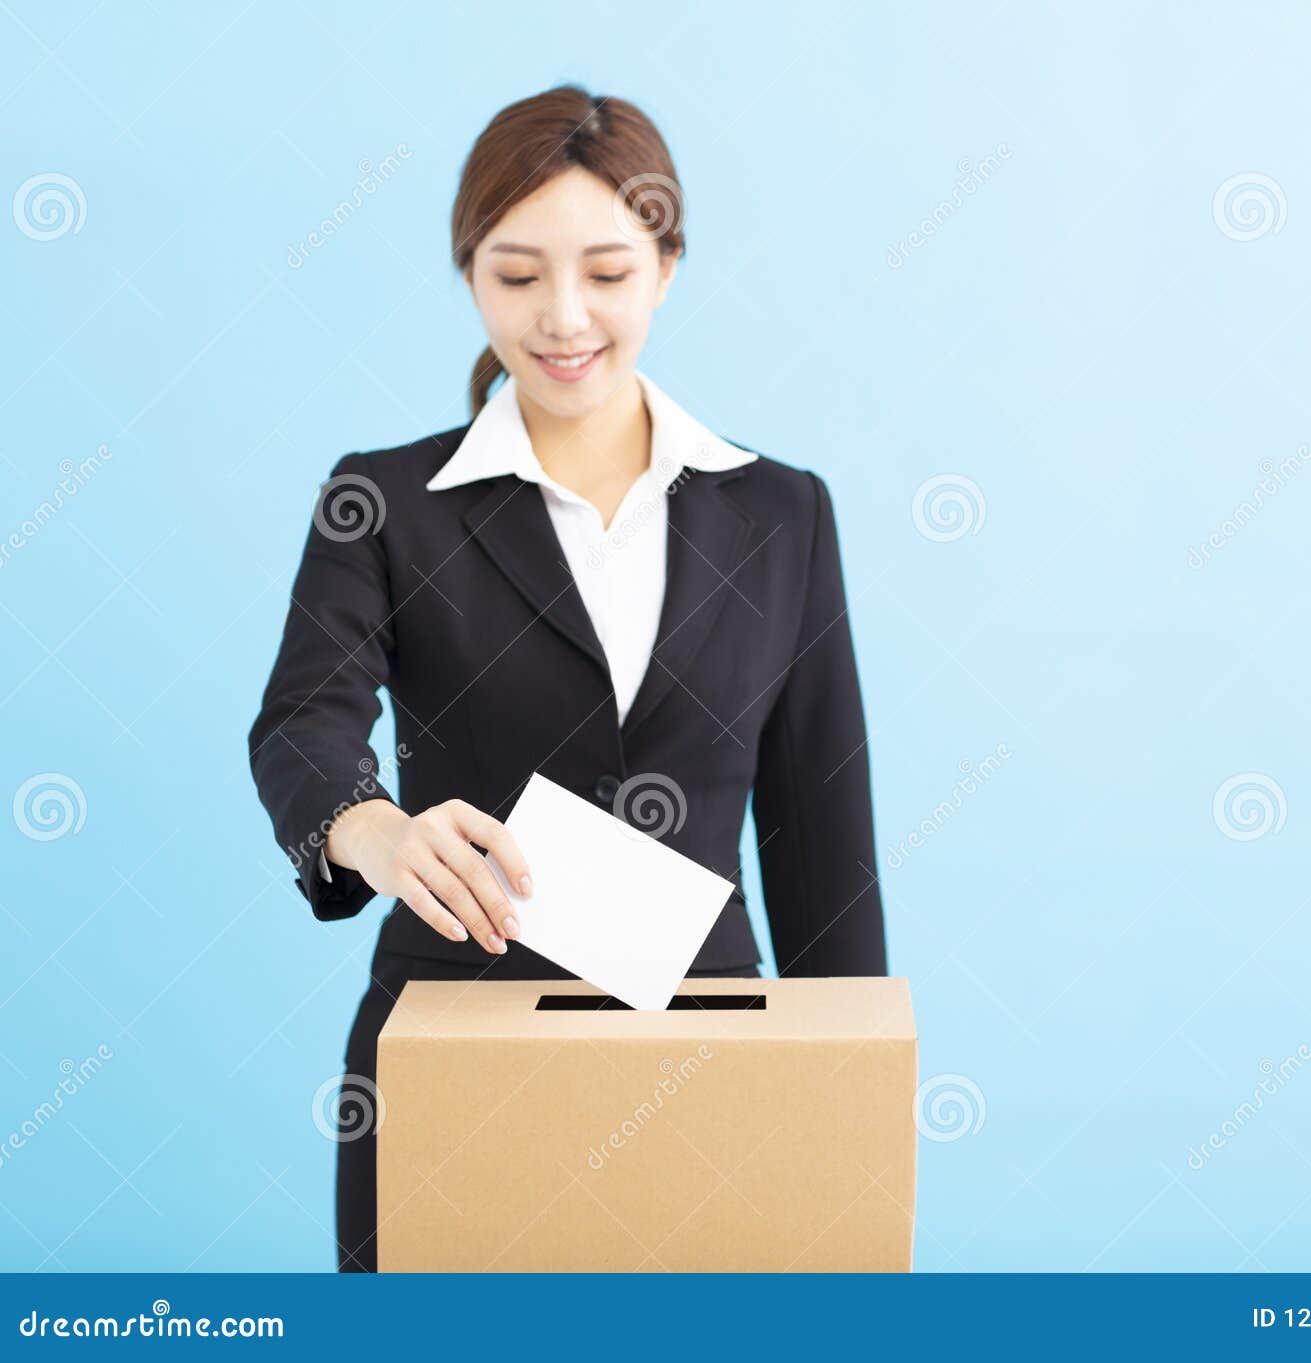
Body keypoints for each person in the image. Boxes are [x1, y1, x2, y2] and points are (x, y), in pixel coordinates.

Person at [247, 85, 887, 1273]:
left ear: (668, 265)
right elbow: (304, 718)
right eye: (516, 274)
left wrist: (848, 1099)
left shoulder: (780, 512)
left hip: (709, 1049)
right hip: (450, 1047)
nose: (562, 316)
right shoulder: (382, 502)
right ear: (469, 273)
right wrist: (368, 828)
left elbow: (819, 832)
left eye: (606, 269)